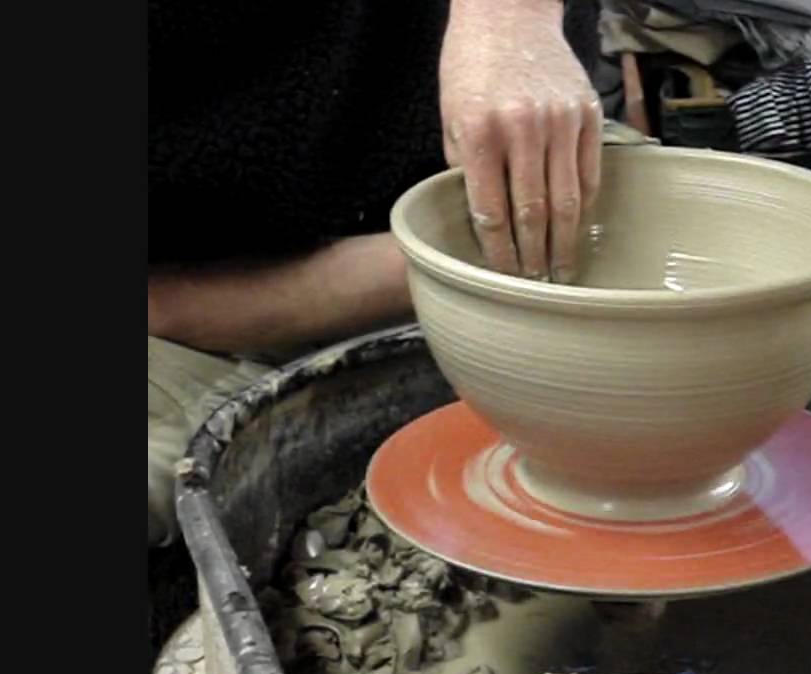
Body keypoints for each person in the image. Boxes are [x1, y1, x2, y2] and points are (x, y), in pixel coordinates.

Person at [148, 0, 604, 547]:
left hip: (475, 169)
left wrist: (509, 22)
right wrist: (456, 262)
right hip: (208, 294)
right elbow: (164, 306)